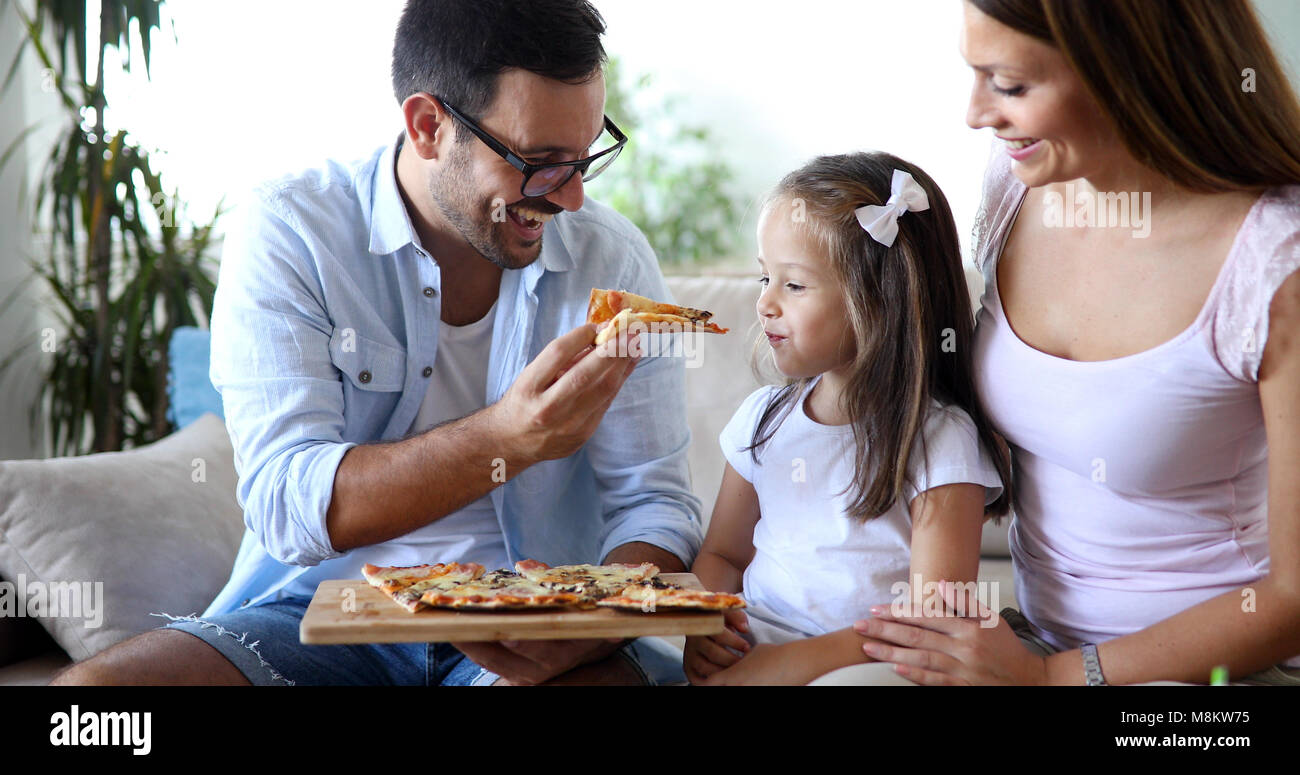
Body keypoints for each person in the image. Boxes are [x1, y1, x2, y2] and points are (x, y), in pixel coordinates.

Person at [51, 0, 702, 687]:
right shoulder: (293, 232)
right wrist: (508, 437)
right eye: (540, 163)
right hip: (319, 613)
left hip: (533, 618)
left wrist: (593, 621)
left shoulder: (615, 261)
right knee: (89, 703)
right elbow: (285, 503)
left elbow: (654, 505)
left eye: (585, 157)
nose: (570, 199)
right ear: (428, 126)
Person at [847, 0, 1300, 686]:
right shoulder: (1017, 188)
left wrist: (1058, 678)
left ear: (1126, 70)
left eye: (1009, 84)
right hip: (1035, 645)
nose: (976, 113)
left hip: (1217, 677)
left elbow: (1295, 597)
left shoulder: (1274, 259)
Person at [682, 153, 1012, 685]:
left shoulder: (939, 438)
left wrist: (785, 667)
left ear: (877, 300)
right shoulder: (761, 420)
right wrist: (708, 627)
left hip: (870, 659)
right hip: (757, 642)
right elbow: (722, 553)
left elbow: (933, 617)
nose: (765, 302)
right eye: (765, 276)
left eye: (793, 285)